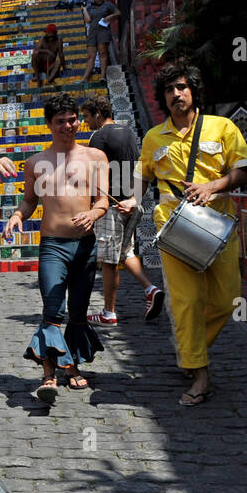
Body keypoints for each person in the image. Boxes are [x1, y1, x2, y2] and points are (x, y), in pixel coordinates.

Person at [137, 64, 247, 405]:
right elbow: (143, 179)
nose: (176, 94)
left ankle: (189, 348)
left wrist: (213, 186)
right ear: (163, 98)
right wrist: (129, 200)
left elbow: (246, 170)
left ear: (193, 91)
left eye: (182, 87)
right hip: (172, 224)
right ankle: (199, 372)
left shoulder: (223, 127)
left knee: (227, 299)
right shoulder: (153, 137)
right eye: (169, 90)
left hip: (218, 223)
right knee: (187, 301)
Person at [5, 93, 111, 401]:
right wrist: (16, 215)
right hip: (53, 247)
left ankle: (72, 367)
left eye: (73, 119)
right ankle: (48, 375)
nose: (69, 125)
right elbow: (29, 201)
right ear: (49, 124)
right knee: (53, 311)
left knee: (78, 313)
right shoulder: (36, 163)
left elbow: (103, 200)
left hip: (85, 247)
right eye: (61, 121)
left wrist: (93, 214)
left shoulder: (96, 158)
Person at [81, 96, 164, 324]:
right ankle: (151, 289)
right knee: (125, 252)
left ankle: (109, 313)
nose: (86, 122)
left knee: (109, 260)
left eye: (87, 116)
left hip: (112, 205)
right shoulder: (127, 132)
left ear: (98, 113)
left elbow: (94, 172)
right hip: (131, 202)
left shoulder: (99, 136)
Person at [81, 0, 120, 83]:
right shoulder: (90, 6)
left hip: (103, 32)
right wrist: (84, 10)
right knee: (91, 56)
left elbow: (118, 13)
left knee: (103, 53)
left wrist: (109, 17)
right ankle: (85, 78)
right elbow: (88, 20)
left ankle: (102, 76)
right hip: (92, 32)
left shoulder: (107, 5)